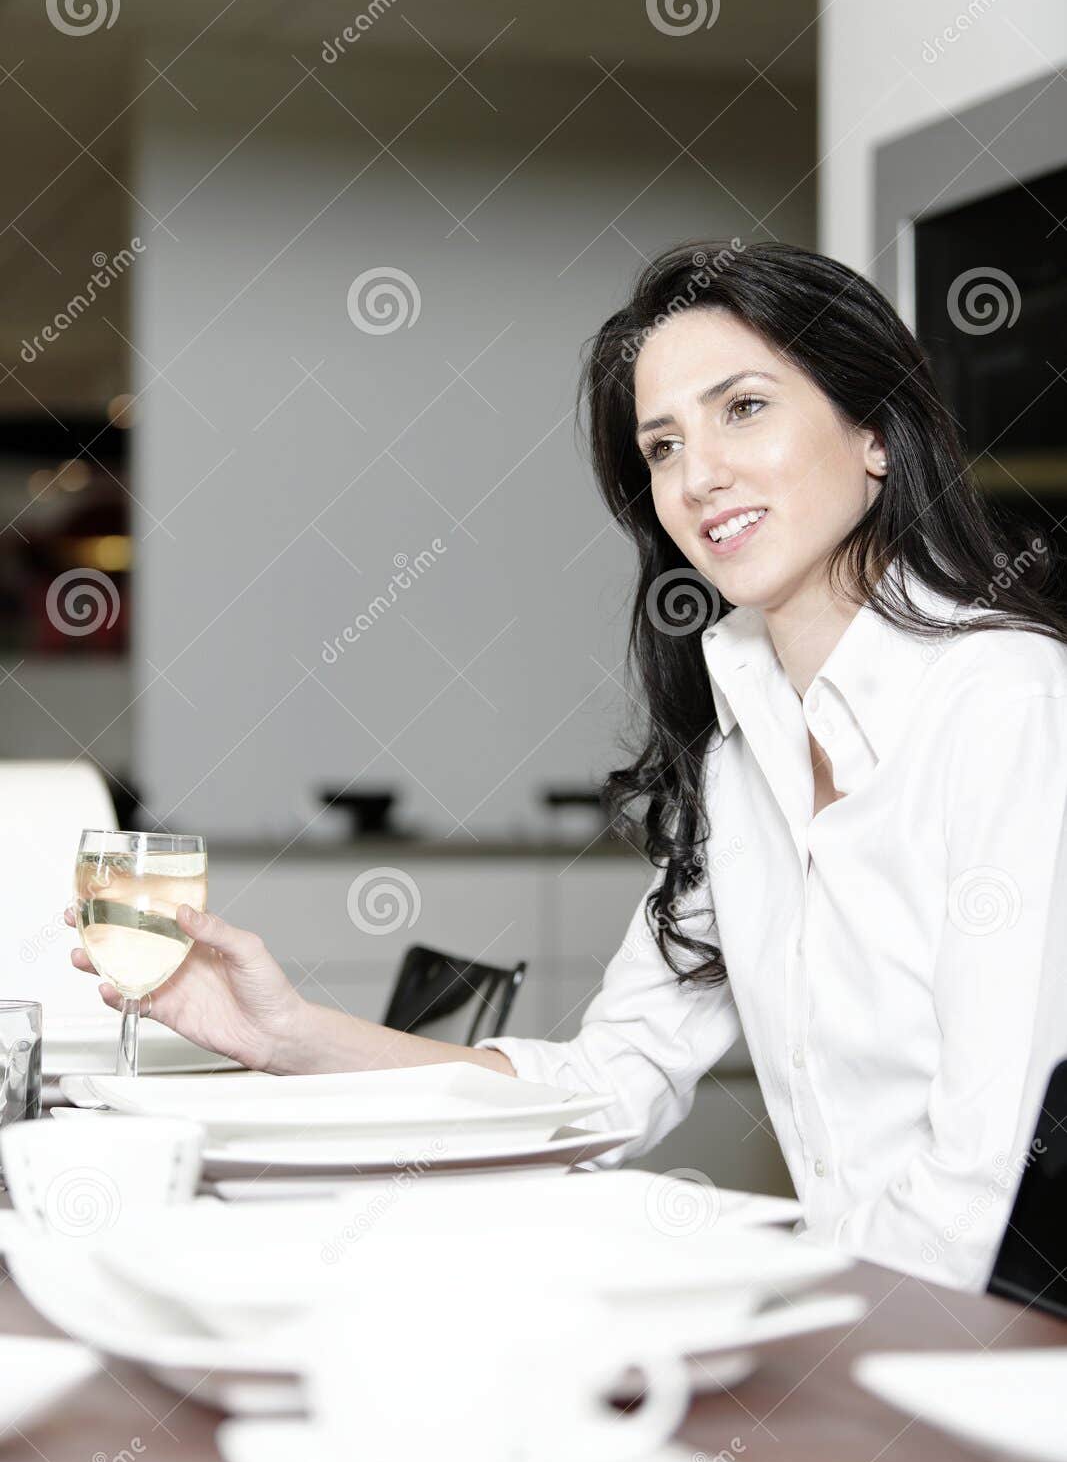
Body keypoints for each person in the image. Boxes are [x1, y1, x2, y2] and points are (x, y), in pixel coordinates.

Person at [68, 240, 1067, 1293]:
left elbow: (991, 1171)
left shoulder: (1005, 702)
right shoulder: (737, 757)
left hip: (971, 1361)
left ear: (871, 431)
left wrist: (813, 1345)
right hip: (862, 1328)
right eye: (662, 445)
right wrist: (289, 1036)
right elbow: (601, 1090)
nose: (698, 475)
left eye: (742, 409)